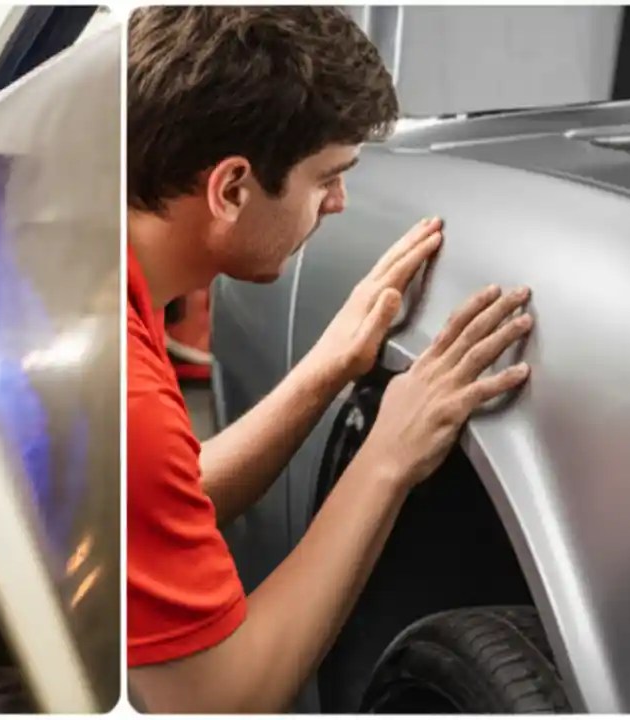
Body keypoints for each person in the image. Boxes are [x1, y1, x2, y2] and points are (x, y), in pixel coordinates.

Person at [126, 7, 536, 712]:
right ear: (231, 188)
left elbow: (155, 500)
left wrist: (327, 370)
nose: (340, 202)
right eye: (327, 177)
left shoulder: (86, 277)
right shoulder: (122, 393)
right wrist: (388, 457)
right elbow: (221, 700)